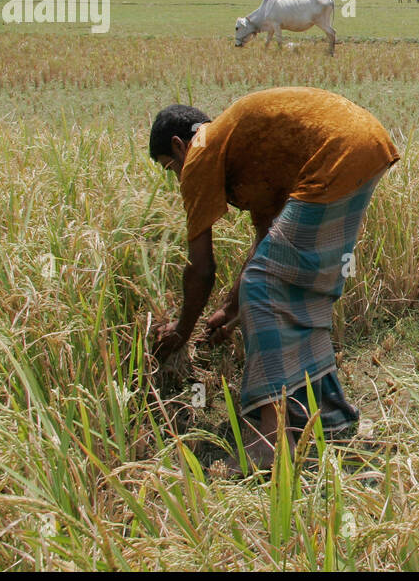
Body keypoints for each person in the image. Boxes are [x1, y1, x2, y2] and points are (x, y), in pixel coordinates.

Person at [148, 87, 399, 468]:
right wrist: (230, 311)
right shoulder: (246, 152)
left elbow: (202, 269)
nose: (176, 177)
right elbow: (267, 238)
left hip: (339, 152)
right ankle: (325, 414)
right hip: (365, 144)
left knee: (262, 287)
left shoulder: (201, 150)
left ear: (180, 146)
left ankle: (272, 439)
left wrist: (183, 329)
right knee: (299, 290)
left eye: (170, 167)